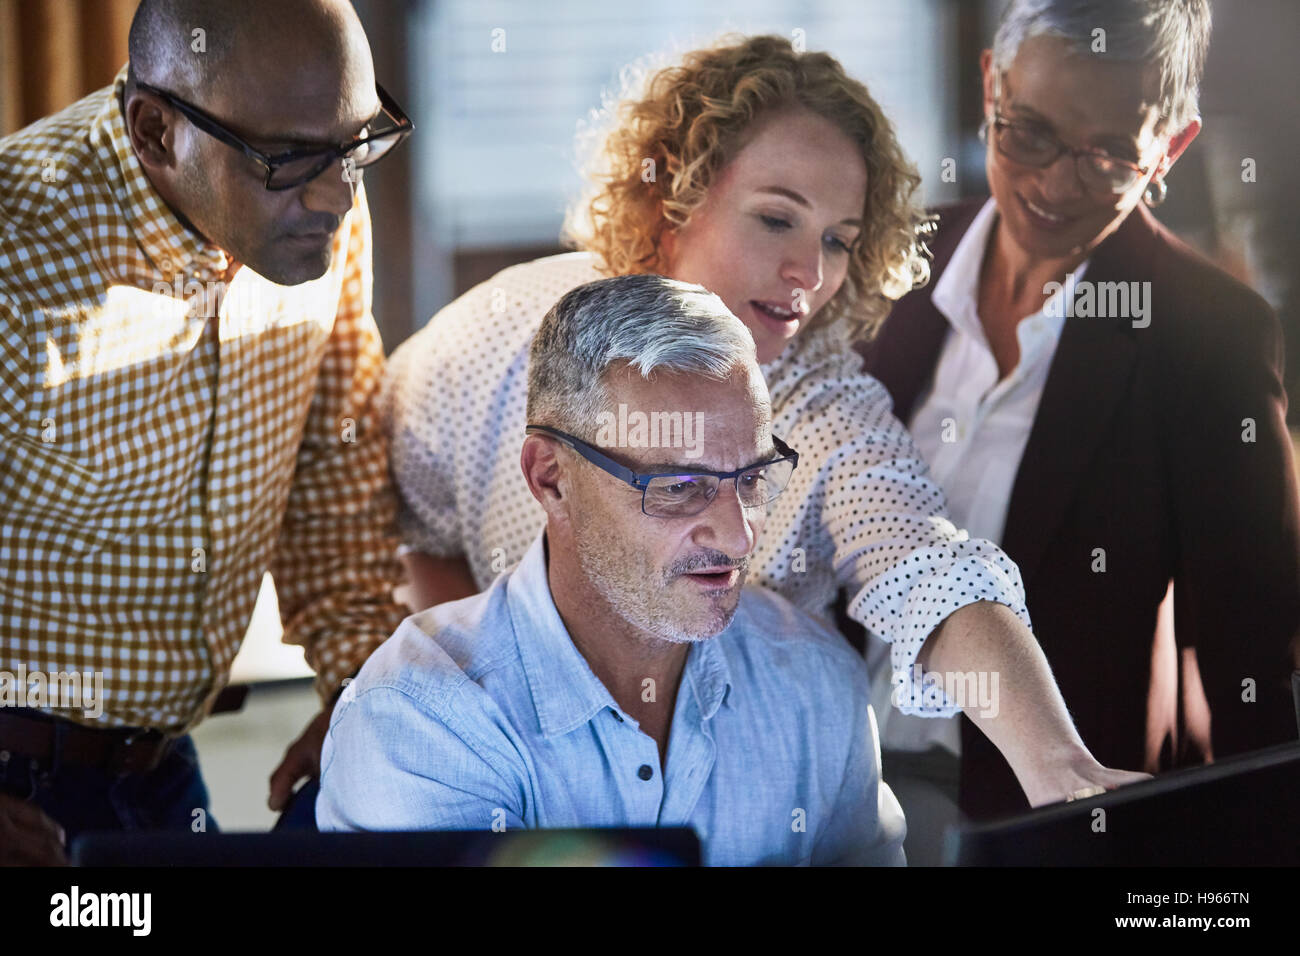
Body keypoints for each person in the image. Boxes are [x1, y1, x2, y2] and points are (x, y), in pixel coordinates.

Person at [382, 31, 1147, 845]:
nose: (809, 273)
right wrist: (470, 692)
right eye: (777, 218)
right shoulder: (500, 332)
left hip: (743, 822)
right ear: (674, 197)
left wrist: (1059, 766)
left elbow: (928, 569)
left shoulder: (823, 404)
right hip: (517, 808)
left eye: (838, 240)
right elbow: (408, 507)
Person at [862, 0, 1300, 831]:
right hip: (837, 775)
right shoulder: (890, 258)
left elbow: (1253, 670)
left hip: (1039, 819)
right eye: (1026, 134)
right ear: (992, 82)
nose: (1053, 185)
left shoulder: (1210, 338)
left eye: (1106, 156)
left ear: (1170, 148)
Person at [0, 0, 412, 863]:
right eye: (294, 157)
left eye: (359, 142)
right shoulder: (16, 247)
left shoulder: (322, 209)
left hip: (160, 770)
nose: (339, 191)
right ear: (156, 131)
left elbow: (331, 481)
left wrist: (360, 701)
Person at [319, 274, 907, 866]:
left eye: (751, 479)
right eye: (679, 485)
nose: (740, 534)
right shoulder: (418, 717)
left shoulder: (818, 682)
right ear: (551, 477)